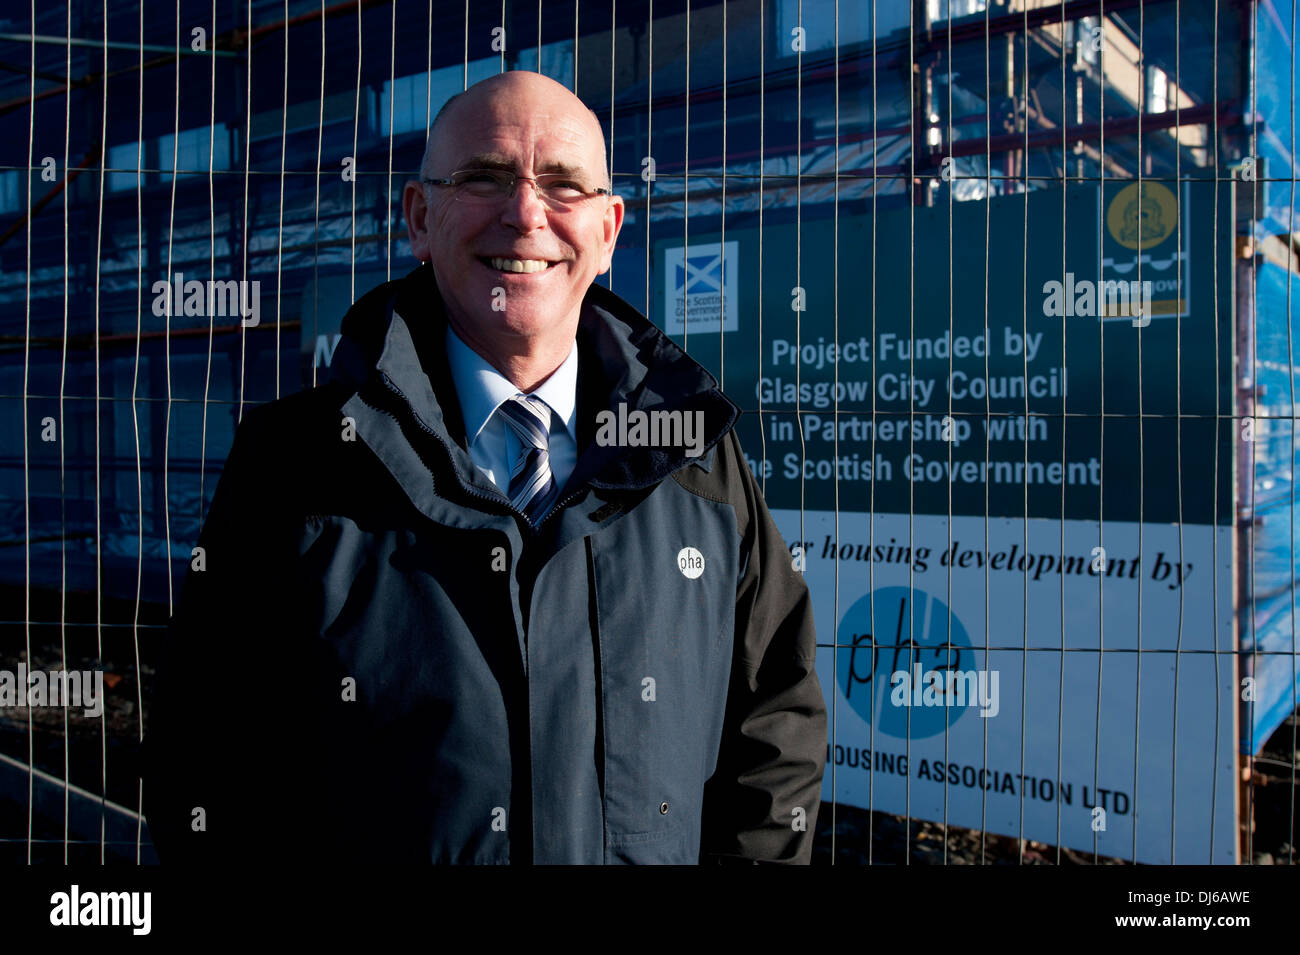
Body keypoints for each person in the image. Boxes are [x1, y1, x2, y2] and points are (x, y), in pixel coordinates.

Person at [143, 70, 827, 864]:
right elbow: (207, 767)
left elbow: (774, 724)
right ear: (419, 217)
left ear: (608, 232)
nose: (526, 212)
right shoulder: (293, 467)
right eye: (486, 177)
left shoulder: (697, 462)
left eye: (562, 185)